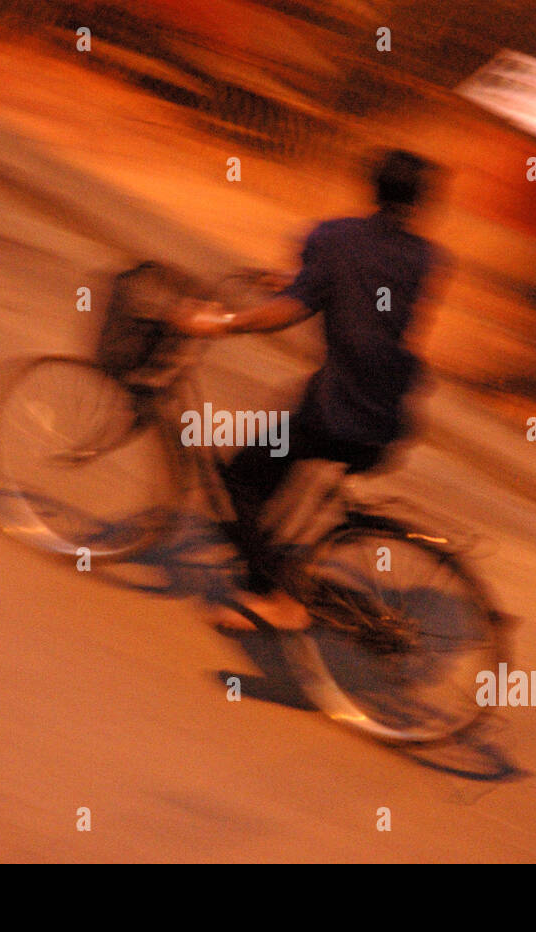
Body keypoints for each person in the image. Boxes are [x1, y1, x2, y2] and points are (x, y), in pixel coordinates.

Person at [170, 149, 448, 630]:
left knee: (241, 479)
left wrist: (223, 322)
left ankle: (273, 597)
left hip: (340, 408)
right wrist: (299, 280)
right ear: (423, 202)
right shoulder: (427, 258)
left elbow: (293, 309)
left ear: (372, 186)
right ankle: (275, 562)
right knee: (283, 440)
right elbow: (369, 295)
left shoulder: (337, 237)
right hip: (389, 413)